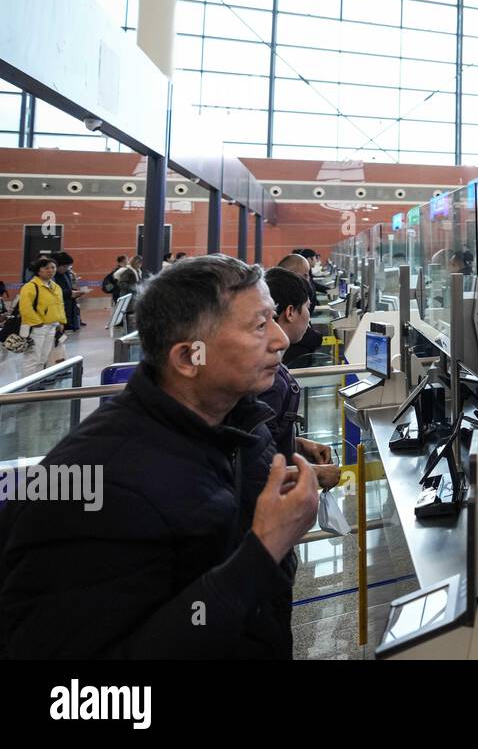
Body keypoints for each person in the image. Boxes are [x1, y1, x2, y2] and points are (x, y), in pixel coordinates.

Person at [0, 256, 319, 658]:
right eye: (259, 326)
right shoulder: (97, 489)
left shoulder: (240, 424)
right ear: (189, 358)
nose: (280, 339)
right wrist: (263, 551)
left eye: (273, 318)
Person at [259, 268, 340, 490]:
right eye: (307, 308)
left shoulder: (274, 370)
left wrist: (298, 444)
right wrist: (315, 474)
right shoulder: (269, 382)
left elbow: (264, 442)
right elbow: (257, 470)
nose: (309, 316)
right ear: (291, 312)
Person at [15, 257, 67, 377]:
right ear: (38, 271)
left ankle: (37, 382)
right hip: (37, 327)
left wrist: (61, 322)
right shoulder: (31, 286)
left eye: (53, 267)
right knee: (32, 358)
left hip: (52, 326)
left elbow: (60, 306)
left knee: (43, 357)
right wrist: (38, 323)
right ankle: (27, 384)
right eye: (46, 268)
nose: (50, 270)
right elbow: (25, 308)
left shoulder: (55, 287)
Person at [277, 254, 324, 366]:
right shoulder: (291, 296)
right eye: (306, 275)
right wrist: (317, 338)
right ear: (290, 312)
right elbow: (309, 337)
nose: (308, 280)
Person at [51, 252, 87, 332]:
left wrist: (75, 292)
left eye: (68, 266)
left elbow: (68, 288)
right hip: (57, 313)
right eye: (64, 266)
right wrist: (70, 293)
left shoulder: (66, 274)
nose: (66, 268)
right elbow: (52, 293)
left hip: (69, 310)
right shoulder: (51, 277)